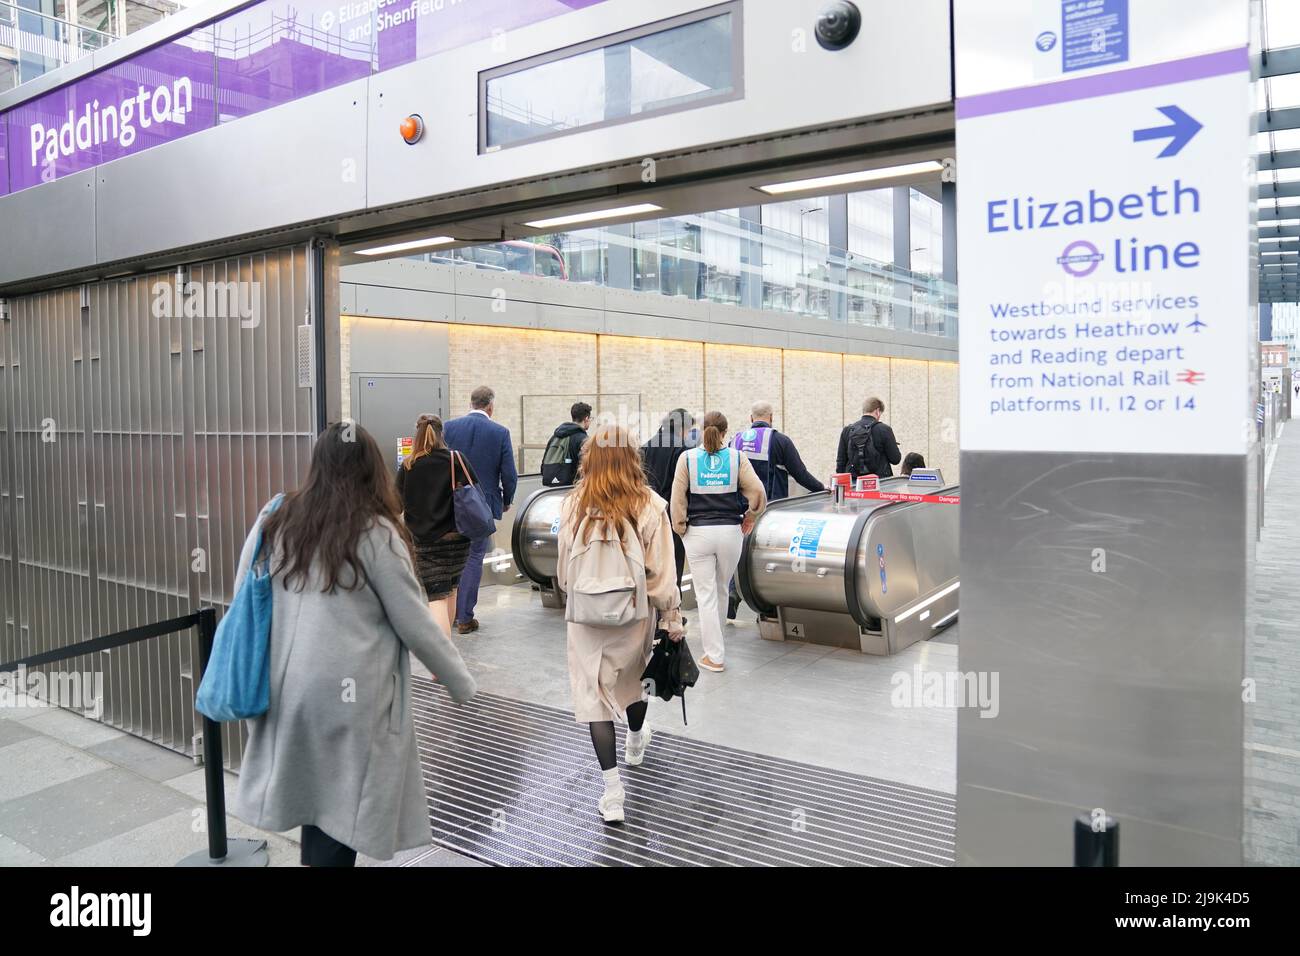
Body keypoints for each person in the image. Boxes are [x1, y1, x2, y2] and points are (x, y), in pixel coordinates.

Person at [233, 422, 476, 867]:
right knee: (342, 807)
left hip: (290, 687)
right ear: (371, 470)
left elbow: (245, 591)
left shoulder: (278, 518)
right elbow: (415, 622)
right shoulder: (376, 532)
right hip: (352, 695)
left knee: (316, 798)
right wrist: (461, 682)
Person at [556, 424, 685, 824]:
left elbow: (563, 572)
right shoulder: (649, 504)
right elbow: (662, 573)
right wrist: (672, 616)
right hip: (634, 613)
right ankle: (634, 740)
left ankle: (612, 794)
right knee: (633, 680)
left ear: (588, 459)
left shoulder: (574, 504)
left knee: (592, 695)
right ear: (632, 458)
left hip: (585, 616)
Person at [670, 411, 766, 673]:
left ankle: (715, 655)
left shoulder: (687, 458)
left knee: (706, 595)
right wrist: (751, 516)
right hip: (730, 532)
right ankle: (717, 648)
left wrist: (680, 528)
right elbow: (757, 491)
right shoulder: (737, 457)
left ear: (702, 430)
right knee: (722, 588)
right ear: (725, 432)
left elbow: (678, 498)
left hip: (698, 533)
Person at [726, 401, 825, 622]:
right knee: (769, 553)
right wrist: (822, 489)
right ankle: (770, 599)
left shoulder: (735, 441)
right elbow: (800, 473)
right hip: (771, 510)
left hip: (740, 510)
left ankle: (734, 591)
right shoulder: (780, 441)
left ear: (751, 419)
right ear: (771, 417)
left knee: (741, 551)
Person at [443, 386, 518, 634]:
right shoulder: (500, 432)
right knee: (474, 557)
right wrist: (507, 499)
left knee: (452, 557)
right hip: (482, 505)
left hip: (451, 503)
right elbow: (509, 473)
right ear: (490, 406)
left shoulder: (449, 427)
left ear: (471, 403)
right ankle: (464, 618)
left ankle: (447, 614)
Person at [396, 413, 477, 638]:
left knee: (437, 598)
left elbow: (395, 504)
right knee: (451, 590)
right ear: (442, 433)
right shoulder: (456, 459)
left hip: (427, 543)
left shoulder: (409, 465)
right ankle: (449, 654)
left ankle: (444, 659)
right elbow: (474, 491)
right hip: (458, 539)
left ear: (417, 435)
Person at [640, 408, 696, 591]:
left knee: (650, 560)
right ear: (683, 427)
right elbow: (686, 485)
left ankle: (652, 606)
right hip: (671, 512)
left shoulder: (647, 445)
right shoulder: (682, 448)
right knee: (673, 561)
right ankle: (672, 609)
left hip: (647, 510)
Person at [836, 397, 902, 480]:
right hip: (880, 483)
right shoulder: (884, 429)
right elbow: (895, 459)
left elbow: (840, 463)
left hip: (854, 484)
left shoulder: (847, 430)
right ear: (877, 411)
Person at [541, 401, 592, 487]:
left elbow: (543, 465)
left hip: (552, 489)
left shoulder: (555, 437)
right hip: (572, 488)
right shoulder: (583, 439)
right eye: (590, 419)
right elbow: (588, 467)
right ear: (586, 418)